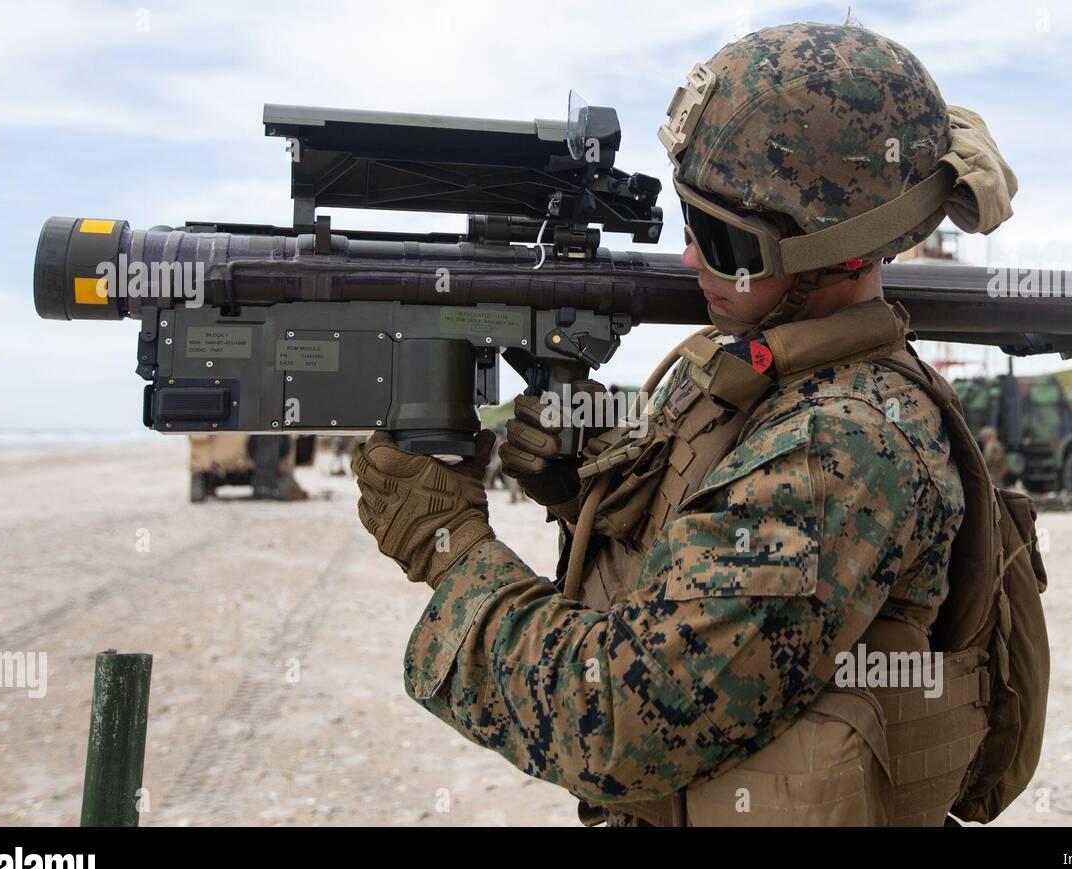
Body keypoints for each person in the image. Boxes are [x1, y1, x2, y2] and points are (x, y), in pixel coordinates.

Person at [352, 21, 1017, 825]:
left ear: (836, 249)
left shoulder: (844, 445)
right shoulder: (761, 372)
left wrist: (450, 550)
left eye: (721, 238)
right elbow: (706, 563)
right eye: (687, 219)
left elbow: (620, 722)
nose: (688, 260)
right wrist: (590, 492)